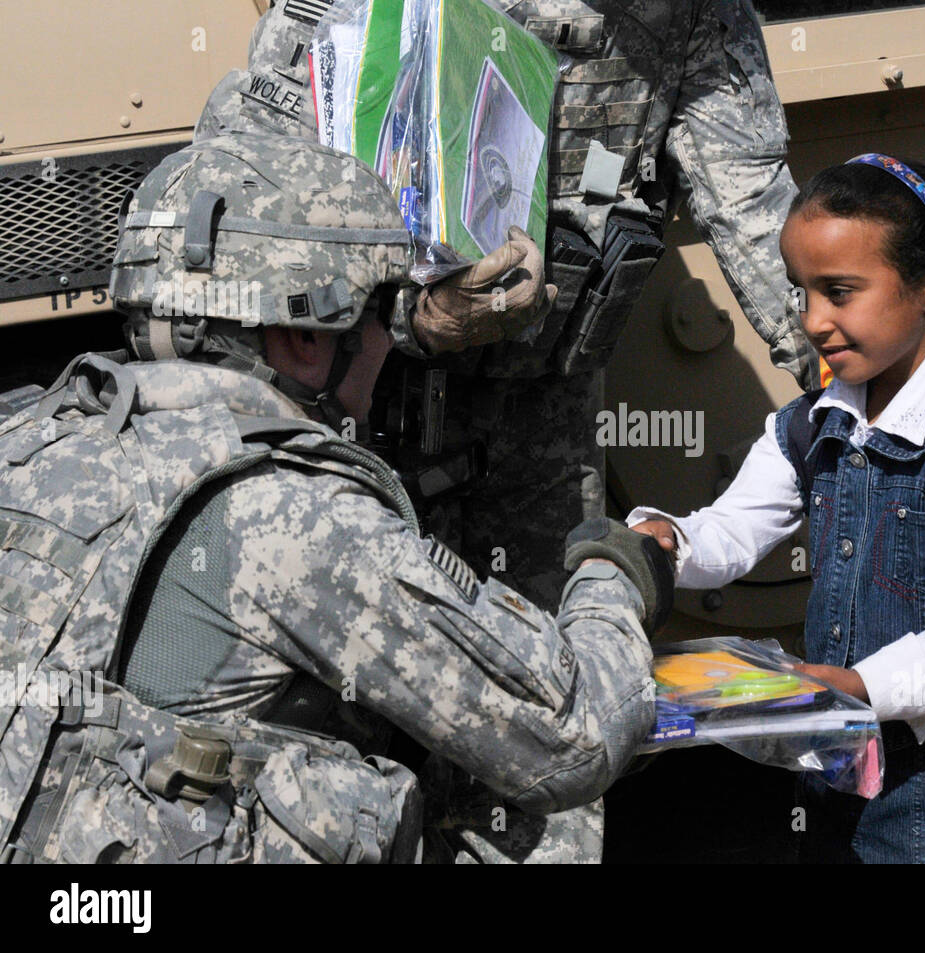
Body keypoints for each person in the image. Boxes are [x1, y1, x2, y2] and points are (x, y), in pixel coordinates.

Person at [194, 0, 813, 863]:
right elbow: (235, 204)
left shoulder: (693, 16)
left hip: (542, 436)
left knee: (551, 743)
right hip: (351, 421)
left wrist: (903, 386)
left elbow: (763, 220)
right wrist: (412, 313)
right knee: (329, 742)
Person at [0, 133, 673, 864]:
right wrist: (616, 572)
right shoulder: (291, 513)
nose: (395, 340)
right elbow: (569, 736)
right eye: (384, 311)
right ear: (301, 338)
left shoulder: (36, 436)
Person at [627, 156, 925, 863]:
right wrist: (667, 541)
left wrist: (860, 685)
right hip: (845, 787)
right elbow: (734, 530)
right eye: (802, 292)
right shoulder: (812, 425)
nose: (813, 321)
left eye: (839, 292)